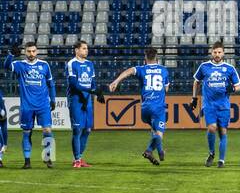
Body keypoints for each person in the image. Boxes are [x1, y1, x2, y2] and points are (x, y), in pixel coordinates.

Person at [107, 47, 170, 165]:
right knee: (159, 134)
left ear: (145, 58)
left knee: (154, 130)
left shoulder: (141, 69)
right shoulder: (164, 70)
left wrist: (116, 81)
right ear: (157, 57)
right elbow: (166, 88)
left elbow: (128, 71)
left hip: (145, 108)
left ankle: (156, 152)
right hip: (158, 108)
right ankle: (152, 151)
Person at [2, 41, 56, 169]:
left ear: (36, 51)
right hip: (27, 106)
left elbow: (51, 83)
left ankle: (48, 158)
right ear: (25, 52)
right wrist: (10, 55)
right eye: (29, 51)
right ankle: (27, 161)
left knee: (47, 130)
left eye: (33, 51)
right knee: (26, 132)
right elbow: (6, 66)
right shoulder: (20, 65)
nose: (31, 54)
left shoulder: (44, 65)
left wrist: (53, 99)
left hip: (43, 104)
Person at [191, 41, 240, 168]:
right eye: (215, 52)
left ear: (223, 53)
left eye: (219, 52)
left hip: (223, 105)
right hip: (209, 104)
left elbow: (238, 86)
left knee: (223, 131)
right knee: (212, 128)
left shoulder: (230, 68)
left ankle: (221, 160)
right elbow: (196, 82)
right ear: (211, 52)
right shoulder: (204, 66)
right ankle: (212, 153)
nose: (217, 54)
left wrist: (233, 89)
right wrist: (194, 98)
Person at [65, 40, 103, 168]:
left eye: (87, 48)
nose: (86, 50)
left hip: (87, 100)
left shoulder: (89, 64)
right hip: (75, 100)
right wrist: (91, 90)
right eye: (84, 48)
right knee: (77, 130)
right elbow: (73, 84)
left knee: (87, 129)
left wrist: (98, 93)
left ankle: (79, 158)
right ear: (76, 50)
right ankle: (76, 160)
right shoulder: (72, 64)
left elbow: (92, 82)